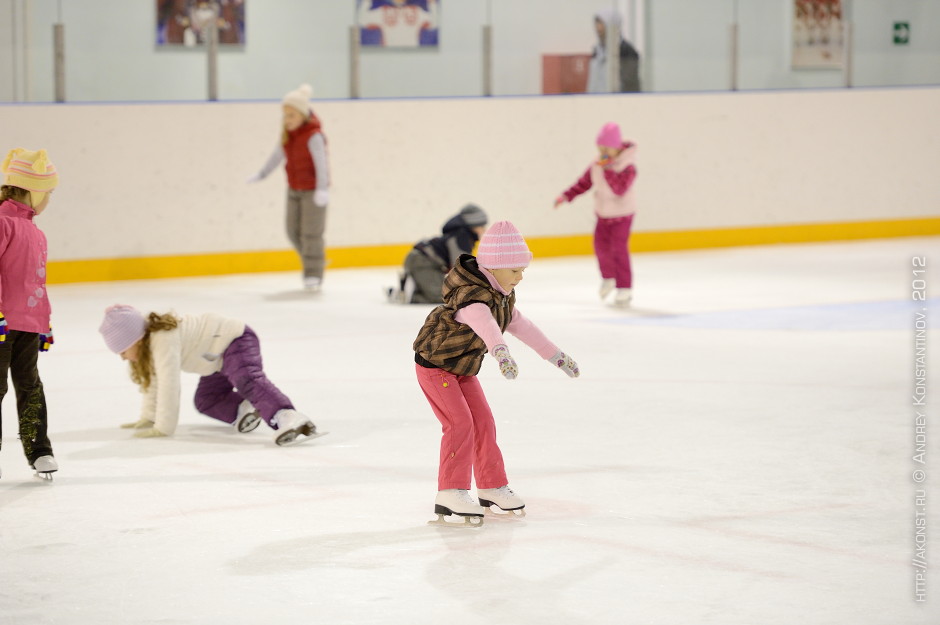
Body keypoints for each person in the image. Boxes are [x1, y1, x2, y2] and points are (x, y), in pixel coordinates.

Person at [413, 221, 580, 525]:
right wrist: (500, 352)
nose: (520, 276)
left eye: (523, 270)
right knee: (460, 423)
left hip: (461, 368)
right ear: (495, 267)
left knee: (484, 422)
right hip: (436, 367)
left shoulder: (501, 296)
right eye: (515, 270)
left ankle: (491, 486)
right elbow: (486, 325)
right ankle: (450, 491)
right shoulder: (470, 297)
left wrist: (555, 356)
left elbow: (524, 328)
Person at [98, 304, 320, 446]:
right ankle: (245, 409)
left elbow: (169, 385)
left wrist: (163, 427)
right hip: (214, 359)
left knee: (247, 380)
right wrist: (148, 417)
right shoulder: (149, 347)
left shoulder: (162, 339)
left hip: (234, 340)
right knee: (206, 400)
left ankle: (287, 416)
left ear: (135, 339)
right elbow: (152, 381)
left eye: (123, 351)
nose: (123, 357)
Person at [0, 148, 58, 479]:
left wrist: (43, 322)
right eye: (47, 193)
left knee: (30, 385)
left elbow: (36, 281)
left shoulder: (36, 233)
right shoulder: (3, 224)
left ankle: (39, 450)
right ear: (32, 190)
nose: (48, 200)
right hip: (1, 324)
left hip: (26, 324)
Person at [248, 84, 331, 292]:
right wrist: (262, 173)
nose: (287, 120)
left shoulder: (314, 136)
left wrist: (322, 189)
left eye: (292, 115)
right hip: (294, 189)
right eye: (285, 116)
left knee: (311, 234)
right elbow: (277, 156)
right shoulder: (288, 136)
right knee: (292, 231)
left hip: (313, 191)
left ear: (302, 115)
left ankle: (313, 272)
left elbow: (322, 164)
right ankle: (316, 260)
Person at [554, 122, 638, 307]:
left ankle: (625, 287)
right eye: (600, 148)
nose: (603, 152)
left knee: (619, 248)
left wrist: (607, 169)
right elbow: (584, 183)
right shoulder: (597, 164)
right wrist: (566, 196)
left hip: (623, 215)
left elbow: (620, 190)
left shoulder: (628, 166)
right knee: (600, 246)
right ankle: (608, 278)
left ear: (617, 148)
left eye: (607, 148)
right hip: (603, 214)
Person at [388, 204, 488, 304]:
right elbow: (460, 266)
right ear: (473, 224)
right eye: (481, 225)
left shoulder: (459, 234)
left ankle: (412, 284)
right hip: (423, 262)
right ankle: (403, 296)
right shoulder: (462, 237)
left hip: (420, 260)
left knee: (446, 289)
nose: (483, 230)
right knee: (445, 296)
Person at [587, 9, 641, 93]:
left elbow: (629, 84)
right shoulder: (597, 51)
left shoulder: (626, 51)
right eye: (596, 24)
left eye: (601, 23)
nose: (598, 28)